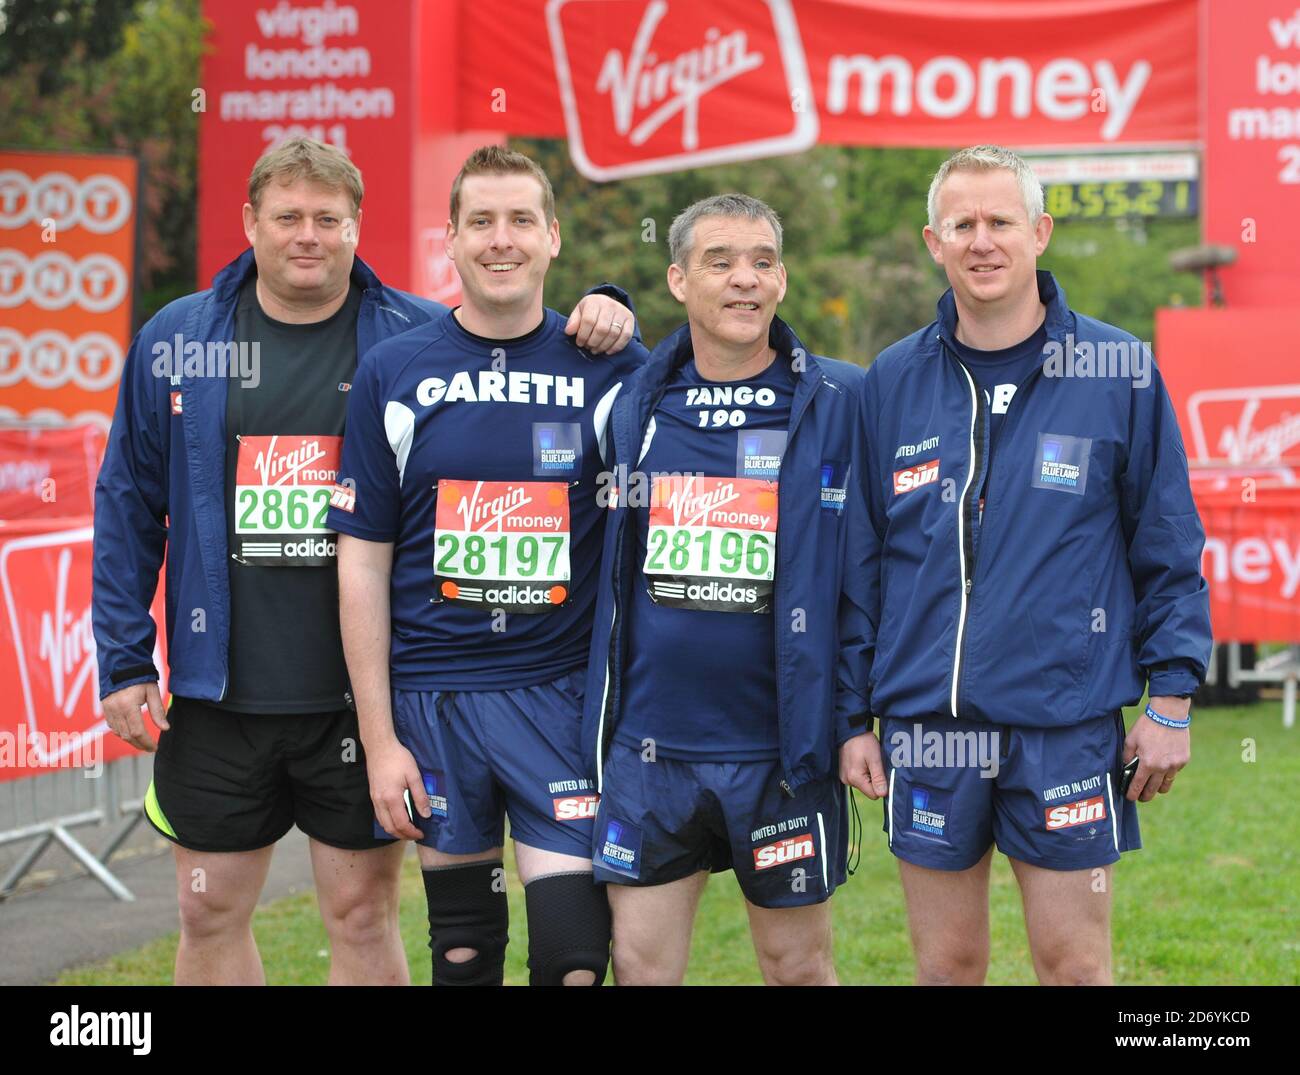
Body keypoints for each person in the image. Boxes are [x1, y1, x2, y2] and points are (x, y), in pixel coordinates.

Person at [92, 138, 632, 986]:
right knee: (207, 909)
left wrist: (606, 306)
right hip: (219, 688)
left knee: (359, 913)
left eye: (328, 219)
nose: (308, 235)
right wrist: (124, 657)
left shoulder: (413, 336)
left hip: (362, 697)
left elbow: (522, 331)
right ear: (250, 223)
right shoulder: (180, 339)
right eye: (288, 217)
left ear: (356, 228)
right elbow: (127, 500)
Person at [839, 145, 1212, 985]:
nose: (982, 240)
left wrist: (1175, 698)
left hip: (1065, 728)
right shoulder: (891, 381)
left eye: (1000, 220)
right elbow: (860, 566)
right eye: (961, 223)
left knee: (1075, 965)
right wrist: (849, 716)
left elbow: (1168, 545)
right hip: (930, 731)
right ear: (933, 241)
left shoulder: (1118, 370)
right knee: (948, 967)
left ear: (1039, 231)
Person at [330, 146, 646, 987]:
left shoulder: (612, 371)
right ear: (452, 240)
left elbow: (706, 389)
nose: (499, 240)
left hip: (559, 701)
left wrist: (623, 311)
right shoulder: (394, 372)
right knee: (464, 959)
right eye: (481, 222)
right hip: (434, 704)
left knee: (575, 960)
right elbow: (361, 559)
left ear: (551, 237)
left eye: (518, 222)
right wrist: (380, 737)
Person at [582, 194, 880, 986]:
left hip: (783, 754)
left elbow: (862, 580)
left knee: (799, 967)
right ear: (679, 280)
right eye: (720, 261)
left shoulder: (841, 400)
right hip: (651, 751)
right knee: (642, 968)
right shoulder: (630, 400)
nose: (744, 279)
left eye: (762, 261)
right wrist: (601, 298)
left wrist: (852, 717)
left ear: (782, 281)